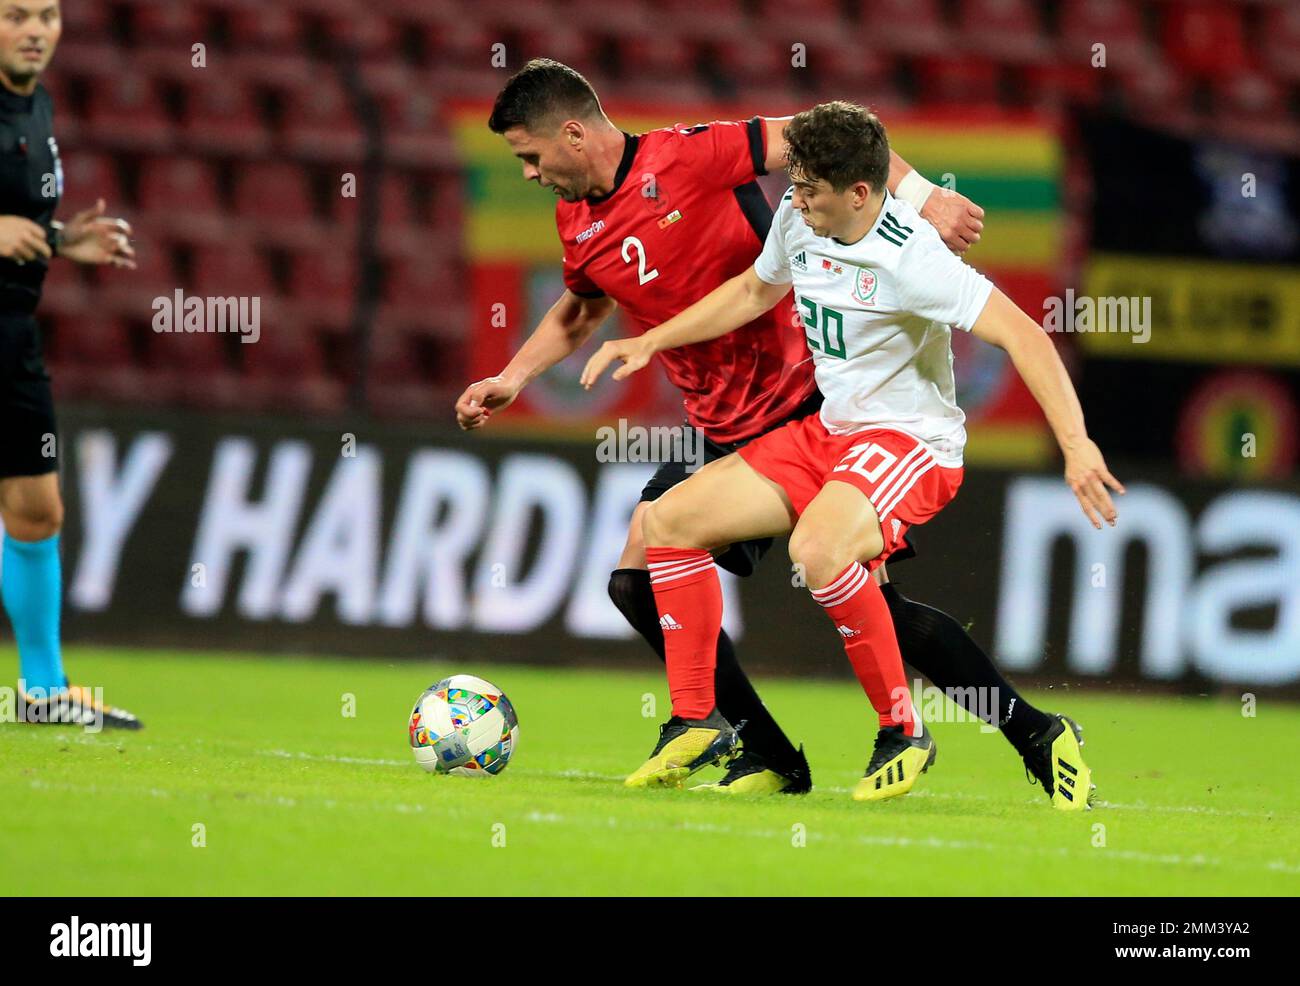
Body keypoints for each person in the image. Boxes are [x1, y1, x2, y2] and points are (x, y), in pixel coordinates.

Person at [584, 101, 1122, 806]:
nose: (793, 199)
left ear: (860, 193)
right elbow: (752, 290)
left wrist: (1076, 447)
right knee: (666, 524)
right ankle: (698, 717)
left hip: (910, 442)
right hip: (828, 432)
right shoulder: (800, 220)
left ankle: (903, 730)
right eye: (794, 186)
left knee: (819, 552)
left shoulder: (913, 259)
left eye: (808, 190)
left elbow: (1025, 335)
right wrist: (651, 340)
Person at [0, 0, 140, 728]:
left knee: (35, 508)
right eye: (15, 15)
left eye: (48, 16)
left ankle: (41, 691)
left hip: (11, 332)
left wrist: (57, 239)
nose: (35, 31)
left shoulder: (35, 104)